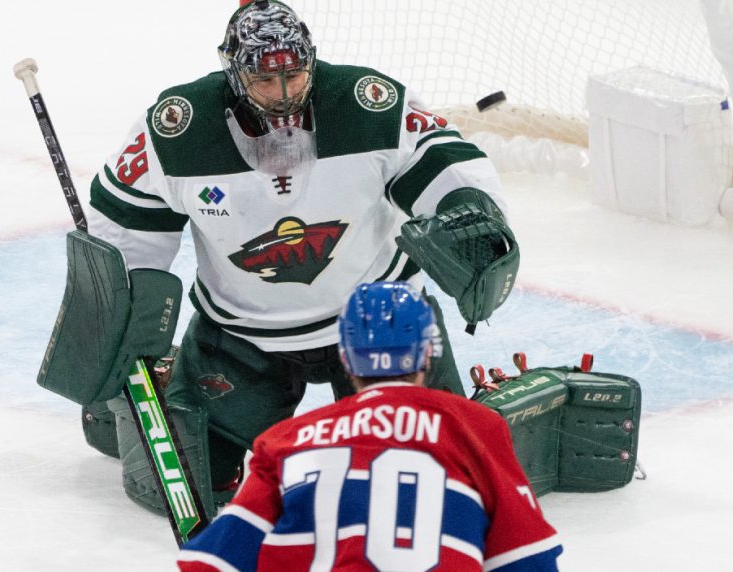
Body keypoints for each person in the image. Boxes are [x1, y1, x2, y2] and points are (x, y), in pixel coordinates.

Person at [77, 0, 519, 517]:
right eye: (266, 80)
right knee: (187, 481)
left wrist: (467, 211)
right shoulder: (178, 128)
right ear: (233, 70)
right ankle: (164, 383)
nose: (284, 92)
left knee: (432, 482)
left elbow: (446, 160)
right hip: (241, 334)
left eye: (295, 73)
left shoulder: (368, 102)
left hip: (378, 324)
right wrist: (127, 309)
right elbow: (123, 223)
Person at [176, 282, 561, 571]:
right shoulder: (476, 427)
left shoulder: (285, 442)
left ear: (344, 357)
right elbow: (528, 558)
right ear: (428, 352)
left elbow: (211, 564)